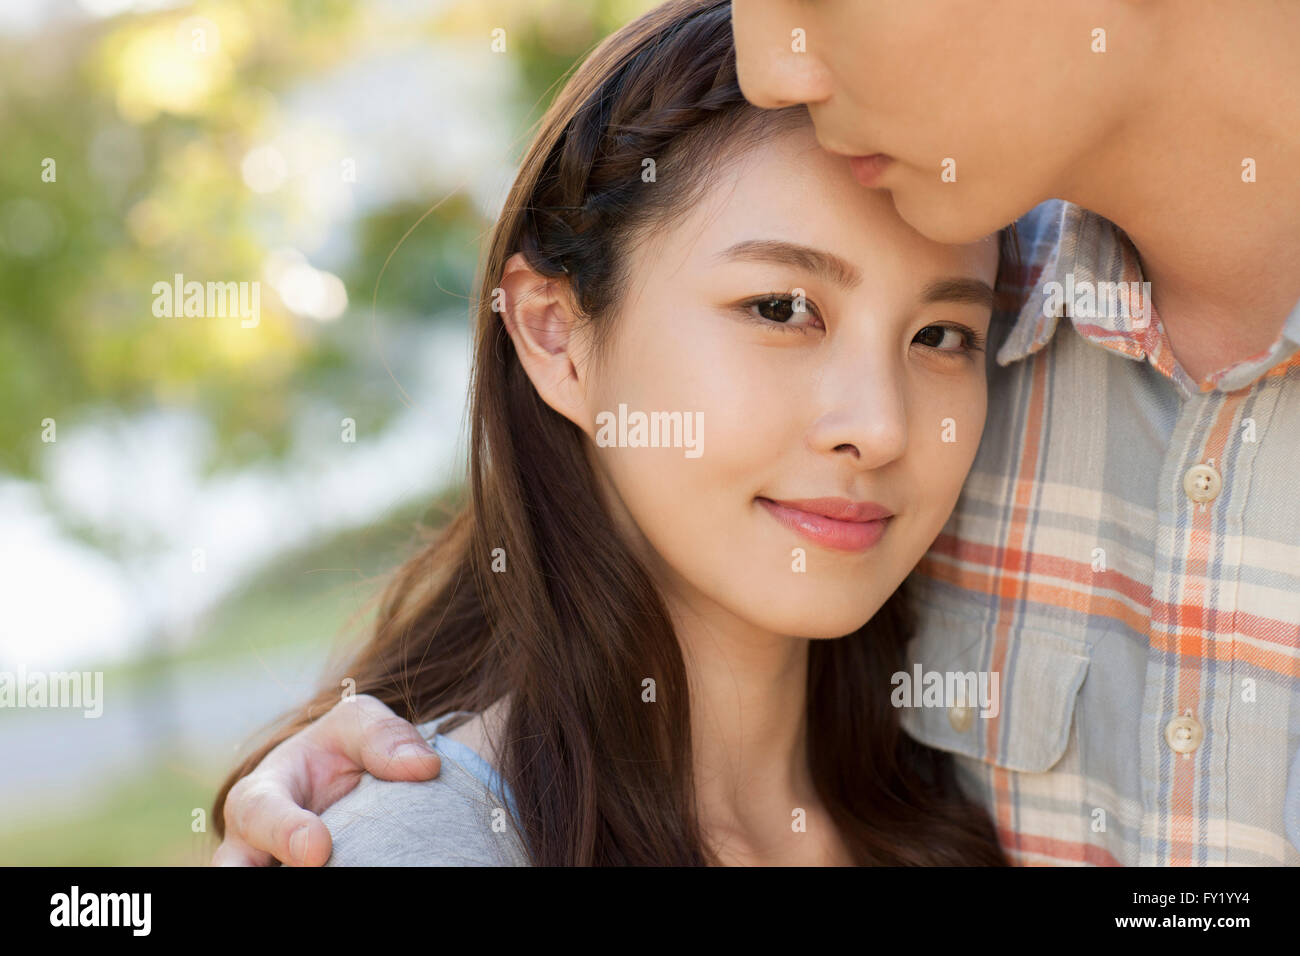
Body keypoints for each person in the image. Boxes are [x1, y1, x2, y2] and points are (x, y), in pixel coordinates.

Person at [218, 0, 1300, 867]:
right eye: (780, 308)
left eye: (940, 335)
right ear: (555, 333)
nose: (877, 429)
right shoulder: (417, 831)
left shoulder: (911, 819)